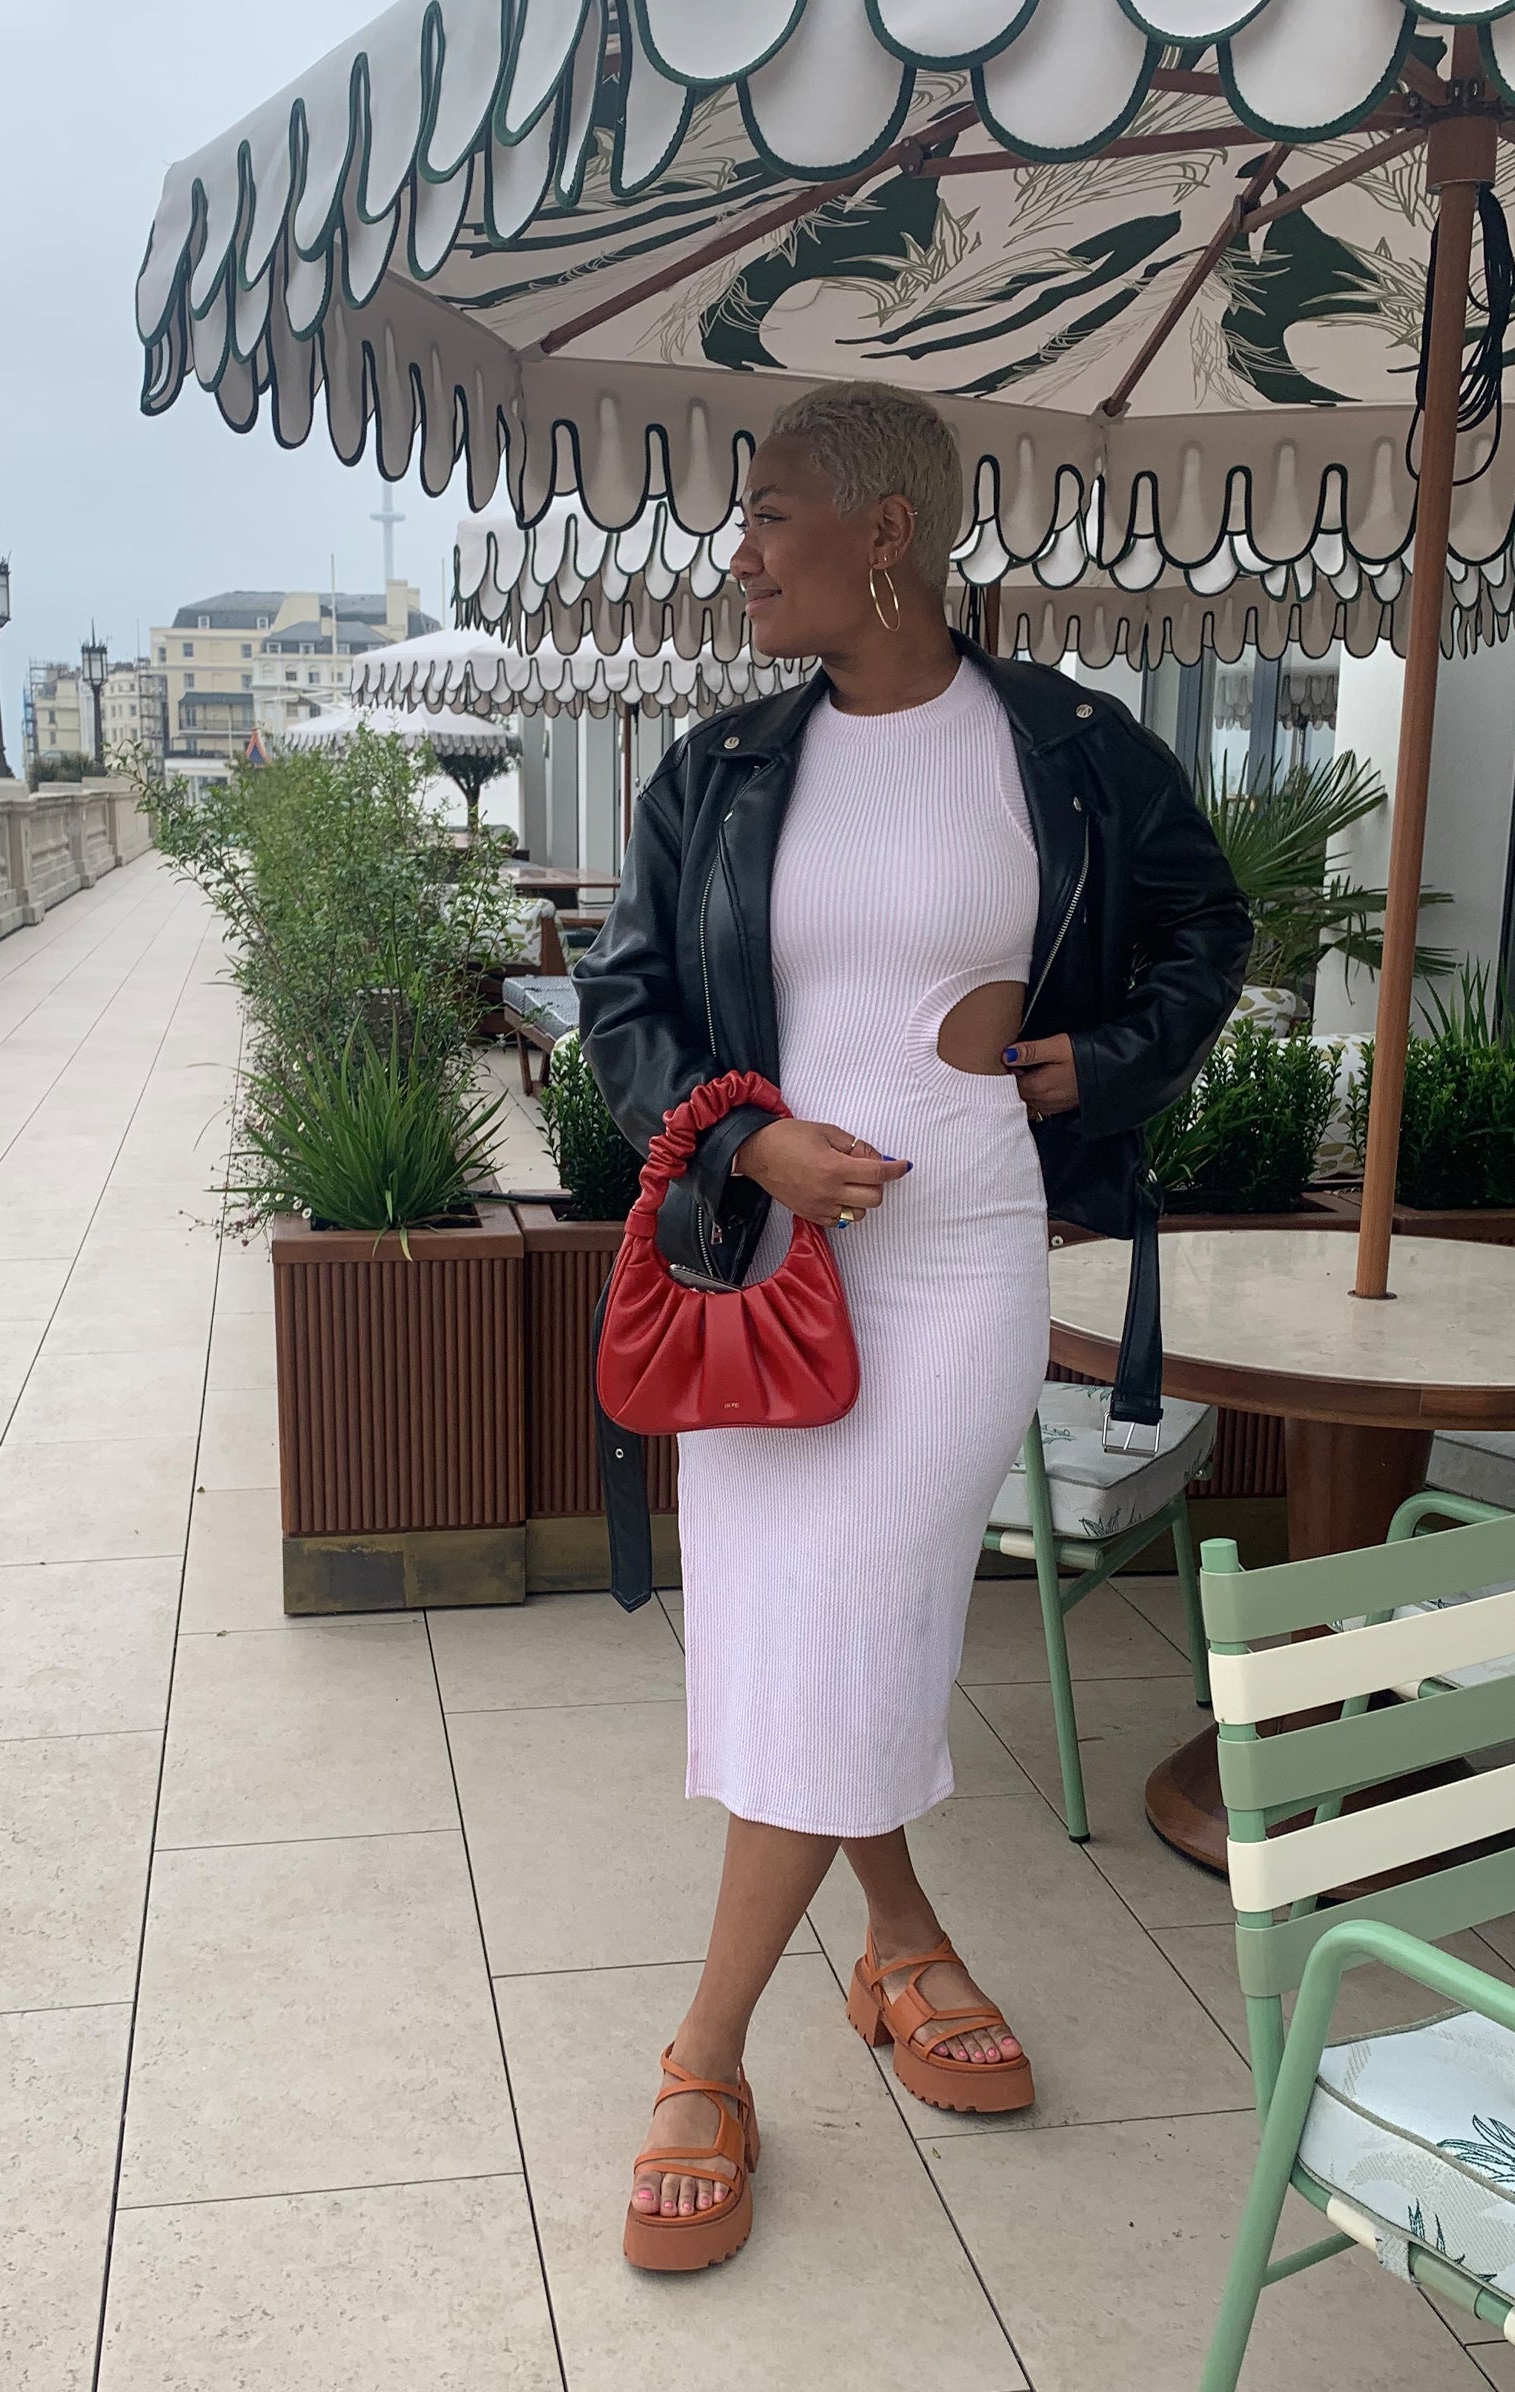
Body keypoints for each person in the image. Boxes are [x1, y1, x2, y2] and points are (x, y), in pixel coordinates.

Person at [577, 380, 1251, 2272]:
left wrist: (1099, 1061)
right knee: (795, 1622)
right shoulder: (720, 770)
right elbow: (626, 1003)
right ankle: (899, 1941)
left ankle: (704, 2056)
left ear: (888, 532)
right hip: (763, 1267)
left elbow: (1206, 931)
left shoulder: (1071, 749)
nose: (737, 552)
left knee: (864, 1606)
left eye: (771, 512)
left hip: (964, 1259)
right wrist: (750, 1137)